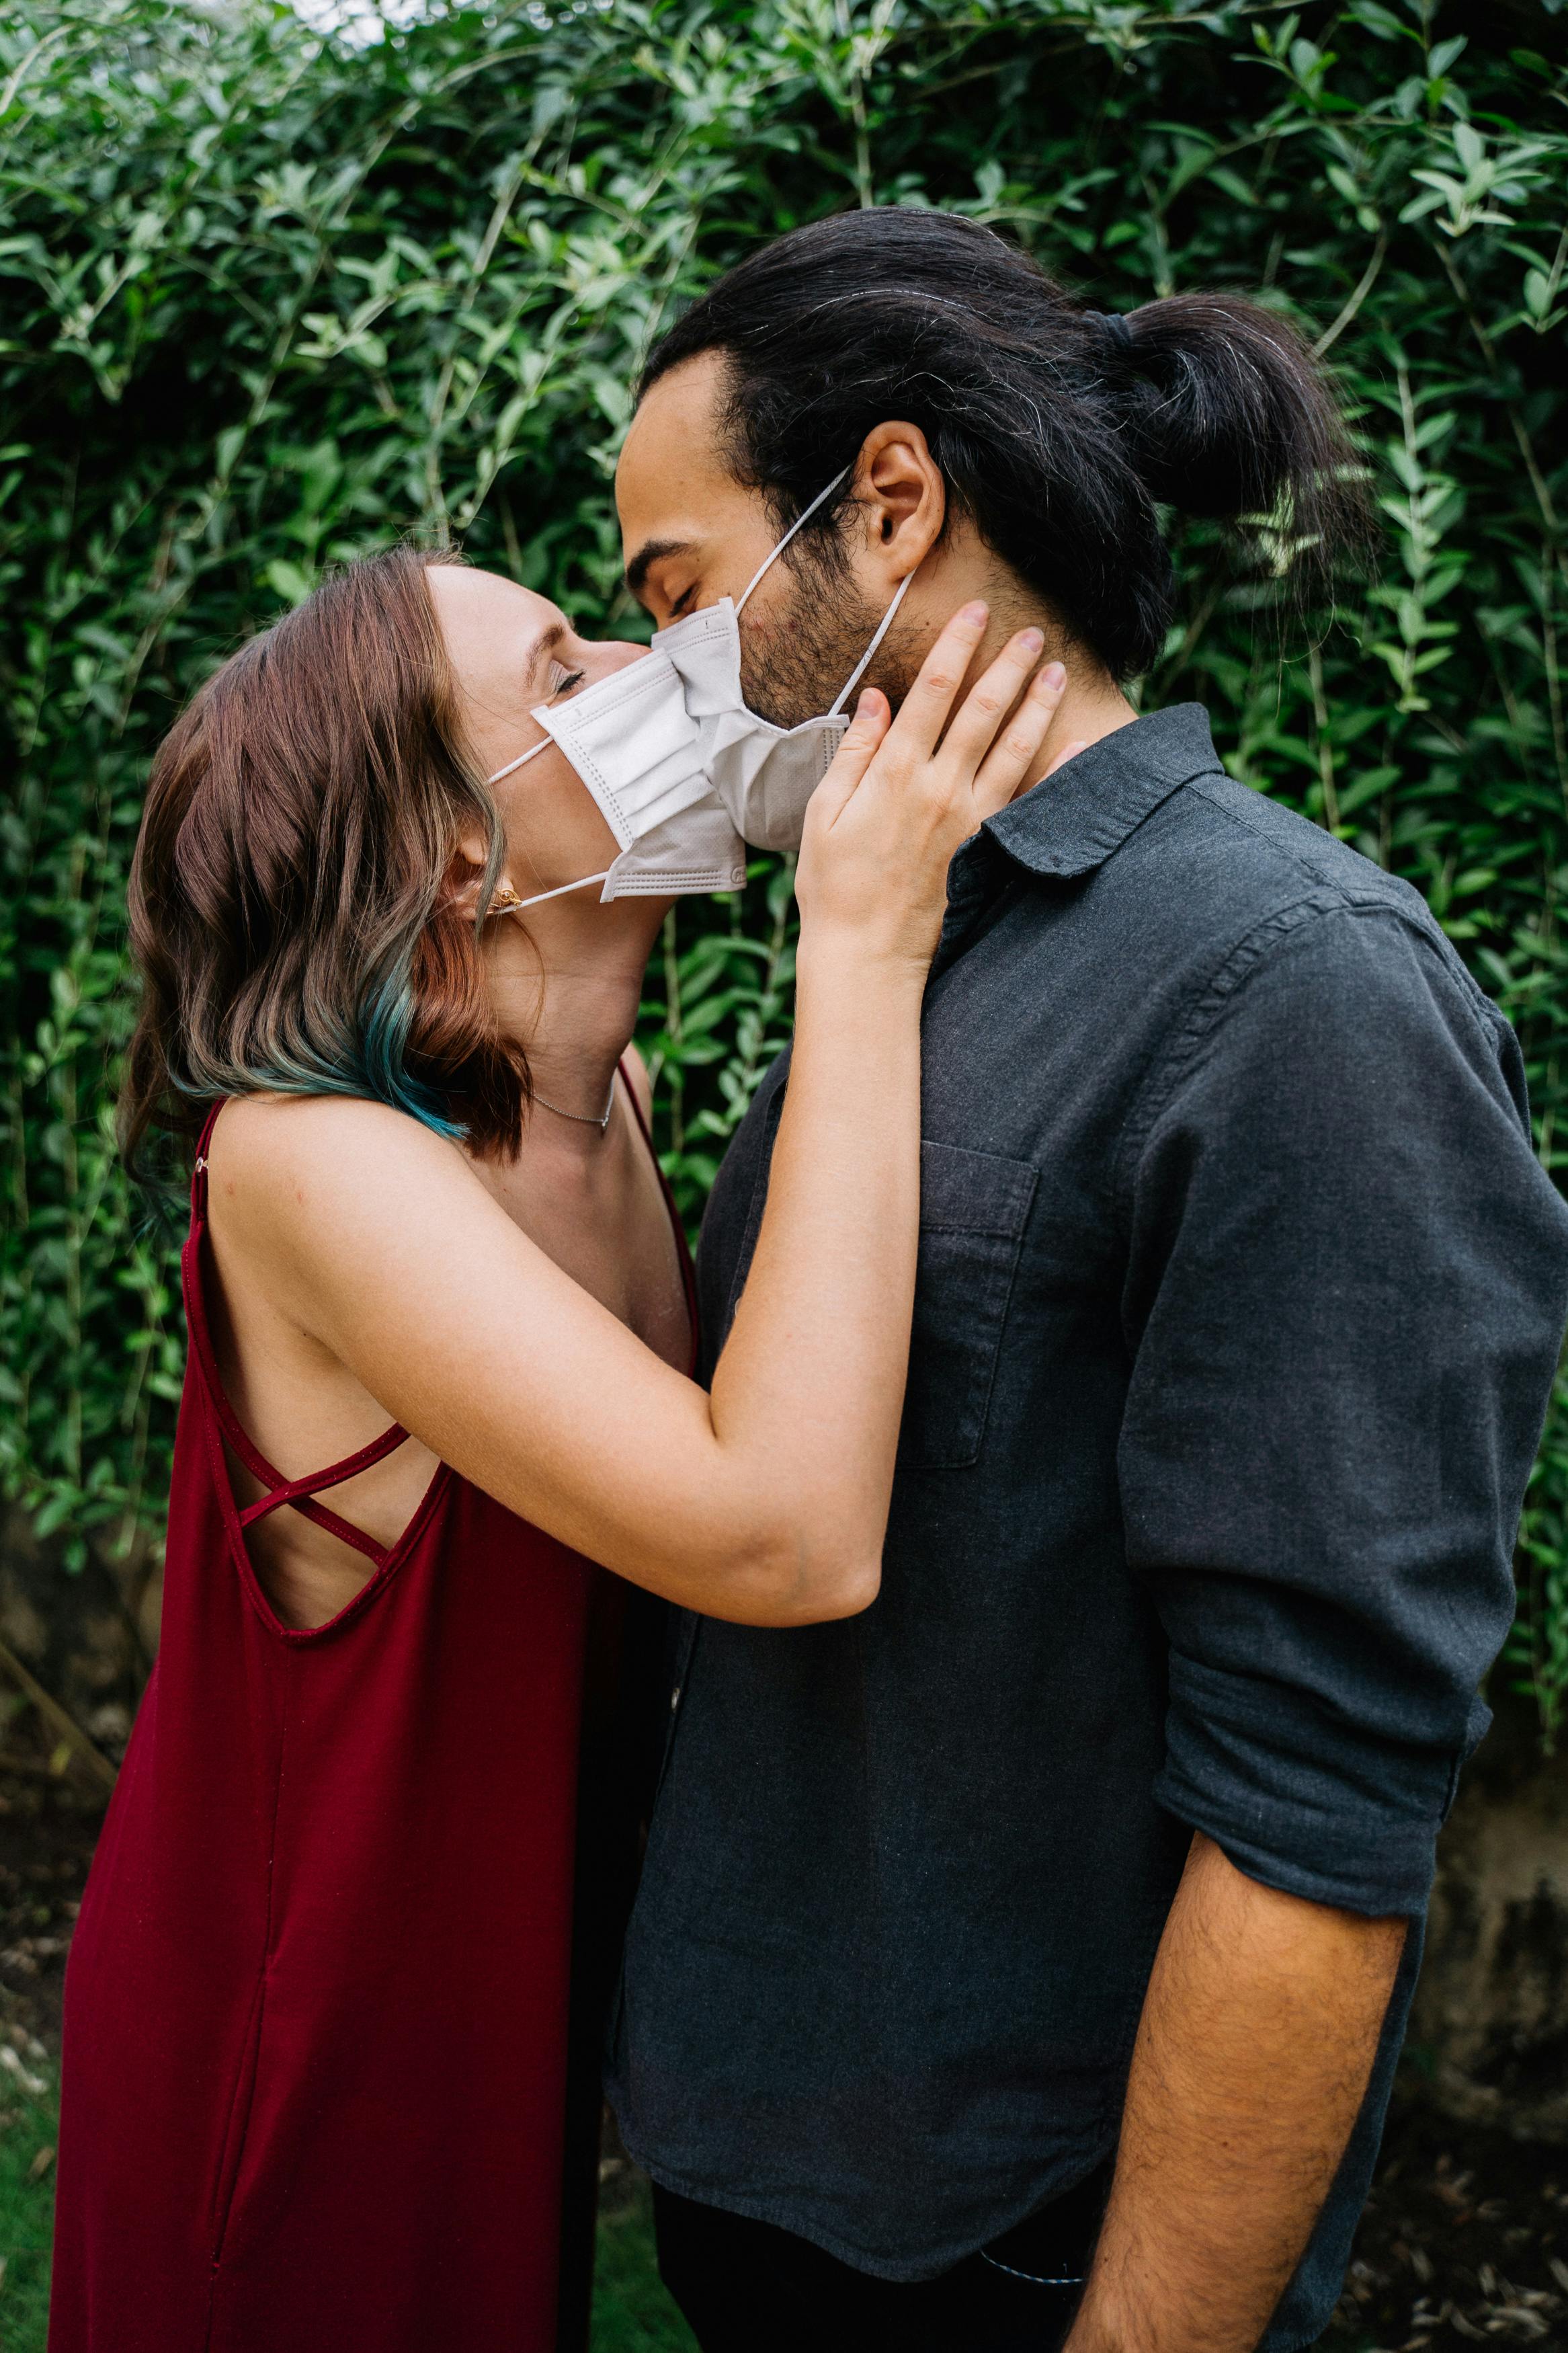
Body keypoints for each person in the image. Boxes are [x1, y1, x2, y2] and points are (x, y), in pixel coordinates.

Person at [606, 207, 1568, 2353]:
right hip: (772, 2180)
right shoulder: (894, 940)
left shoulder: (1301, 997)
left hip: (1005, 2248)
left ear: (888, 502)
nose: (665, 671)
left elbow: (1320, 1811)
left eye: (680, 596)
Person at [49, 539, 1077, 2353]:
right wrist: (861, 934)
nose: (660, 657)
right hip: (296, 2034)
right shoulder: (313, 1160)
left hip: (497, 2012)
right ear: (456, 845)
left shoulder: (609, 1101)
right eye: (565, 664)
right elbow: (782, 1531)